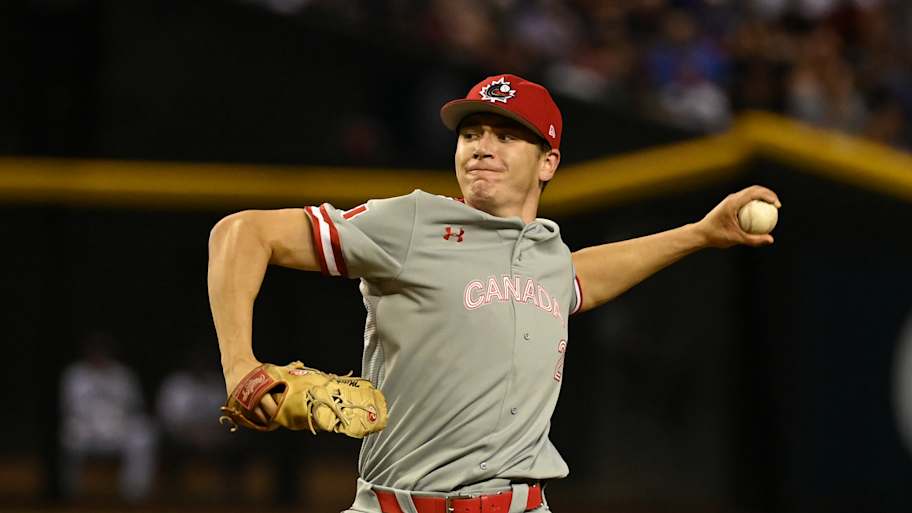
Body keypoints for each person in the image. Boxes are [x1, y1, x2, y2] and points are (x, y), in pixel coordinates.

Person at [208, 74, 780, 513]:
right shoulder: (411, 223)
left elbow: (581, 278)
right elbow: (242, 232)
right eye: (471, 133)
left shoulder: (546, 256)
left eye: (506, 135)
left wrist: (701, 234)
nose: (482, 146)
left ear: (548, 162)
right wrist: (240, 366)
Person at [59, 332, 158, 502]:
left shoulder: (124, 375)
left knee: (143, 435)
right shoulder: (75, 375)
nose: (99, 355)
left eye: (102, 351)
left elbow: (136, 407)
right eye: (95, 350)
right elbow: (67, 408)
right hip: (86, 428)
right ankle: (71, 493)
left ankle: (134, 494)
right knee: (69, 436)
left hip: (118, 427)